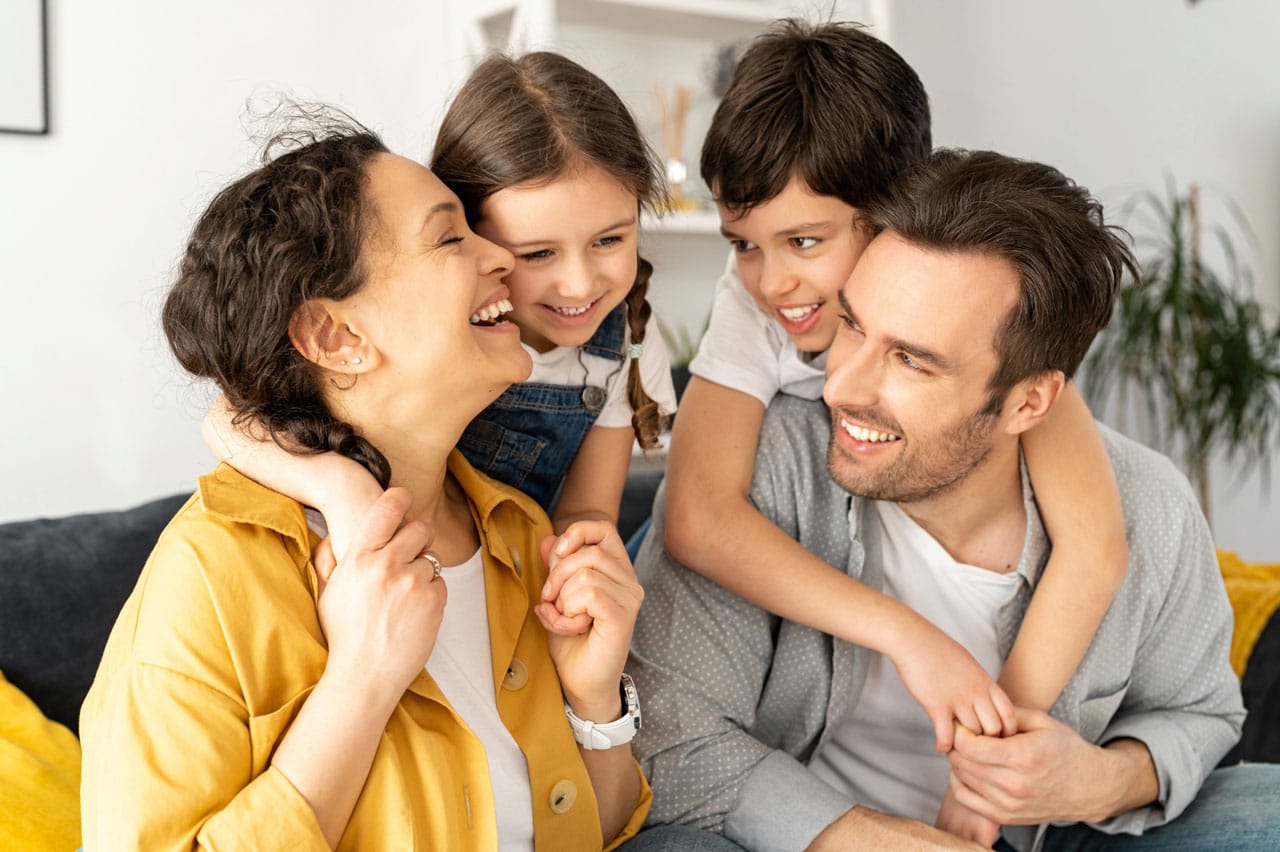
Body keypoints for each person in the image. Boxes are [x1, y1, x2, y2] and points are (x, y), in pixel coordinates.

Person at [628, 149, 1277, 851]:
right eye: (852, 325)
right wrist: (873, 839)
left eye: (911, 359)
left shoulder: (1148, 507)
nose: (840, 387)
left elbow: (1200, 712)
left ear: (1030, 402)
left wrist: (1098, 780)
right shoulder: (761, 465)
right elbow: (669, 742)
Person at [79, 111, 651, 850]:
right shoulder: (214, 577)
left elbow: (593, 833)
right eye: (451, 237)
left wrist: (594, 699)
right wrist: (362, 681)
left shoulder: (520, 534)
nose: (503, 257)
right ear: (336, 336)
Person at [657, 20, 1128, 843]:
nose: (774, 282)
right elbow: (697, 518)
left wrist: (984, 776)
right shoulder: (756, 303)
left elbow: (1095, 547)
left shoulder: (985, 327)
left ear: (894, 217)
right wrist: (910, 637)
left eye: (806, 241)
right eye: (743, 246)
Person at [202, 52, 678, 559]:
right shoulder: (424, 341)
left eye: (610, 240)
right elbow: (229, 419)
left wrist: (579, 567)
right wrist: (337, 486)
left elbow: (587, 511)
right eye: (537, 253)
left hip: (512, 584)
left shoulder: (622, 343)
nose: (580, 285)